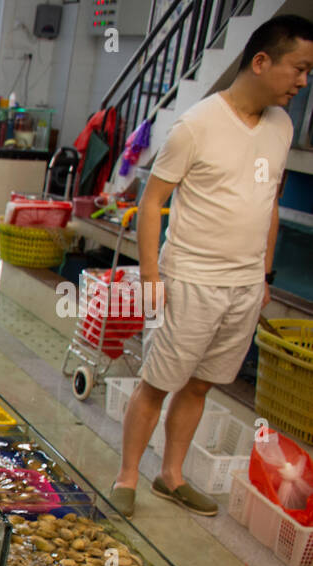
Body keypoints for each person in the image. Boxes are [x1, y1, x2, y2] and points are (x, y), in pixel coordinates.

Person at [109, 15, 313, 518]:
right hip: (191, 282)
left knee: (201, 384)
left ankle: (171, 476)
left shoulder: (281, 127)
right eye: (299, 68)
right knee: (158, 382)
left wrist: (263, 275)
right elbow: (152, 202)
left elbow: (269, 202)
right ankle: (127, 476)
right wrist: (153, 278)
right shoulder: (196, 125)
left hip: (243, 287)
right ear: (261, 62)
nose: (304, 81)